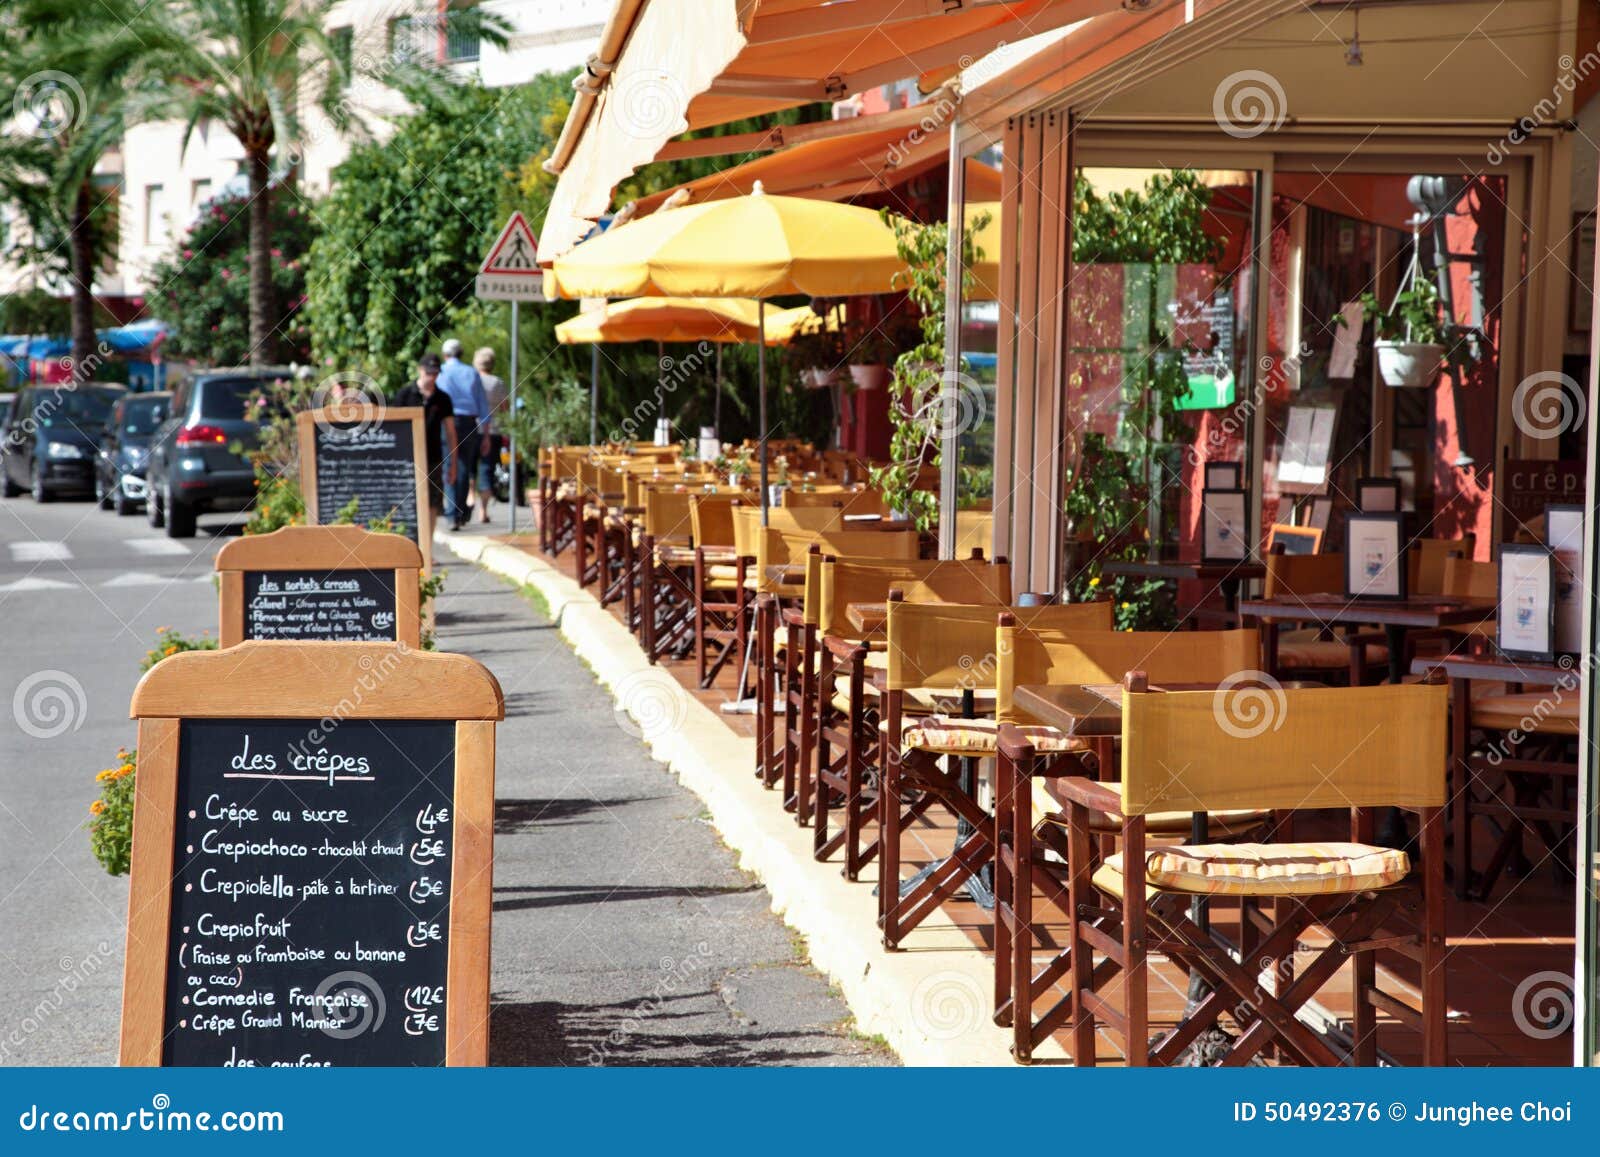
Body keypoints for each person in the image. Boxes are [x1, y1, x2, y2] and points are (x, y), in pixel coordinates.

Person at [393, 354, 456, 533]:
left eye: (436, 373)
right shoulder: (405, 394)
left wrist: (453, 464)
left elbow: (451, 432)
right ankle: (411, 545)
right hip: (407, 458)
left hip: (433, 458)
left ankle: (427, 550)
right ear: (420, 370)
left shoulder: (443, 398)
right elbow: (393, 427)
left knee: (433, 502)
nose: (432, 377)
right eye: (429, 372)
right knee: (408, 503)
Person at [436, 337, 490, 530]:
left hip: (448, 422)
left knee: (450, 466)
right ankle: (459, 513)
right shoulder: (471, 373)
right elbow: (483, 407)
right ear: (461, 354)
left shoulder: (441, 373)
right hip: (469, 423)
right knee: (465, 466)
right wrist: (486, 435)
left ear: (445, 355)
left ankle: (452, 513)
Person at [473, 347, 508, 524]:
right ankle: (483, 511)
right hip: (493, 431)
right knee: (487, 470)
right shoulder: (497, 383)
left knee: (470, 467)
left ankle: (469, 498)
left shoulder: (472, 380)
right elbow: (505, 408)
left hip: (471, 429)